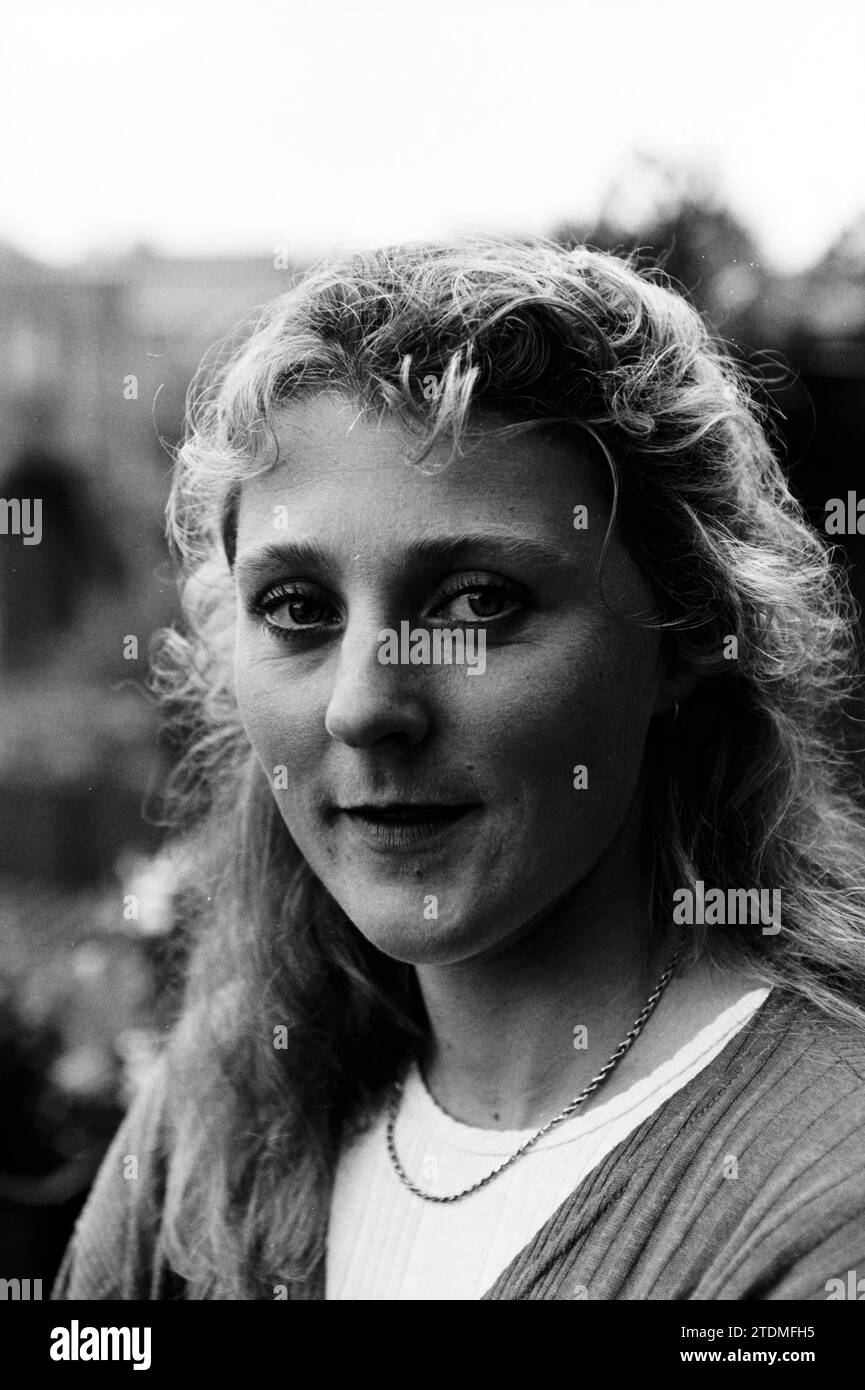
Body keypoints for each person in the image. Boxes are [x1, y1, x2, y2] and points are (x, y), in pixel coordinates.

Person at [53, 235, 865, 1301]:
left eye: (477, 601)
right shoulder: (213, 1128)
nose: (361, 706)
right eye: (297, 609)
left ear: (685, 632)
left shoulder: (817, 1197)